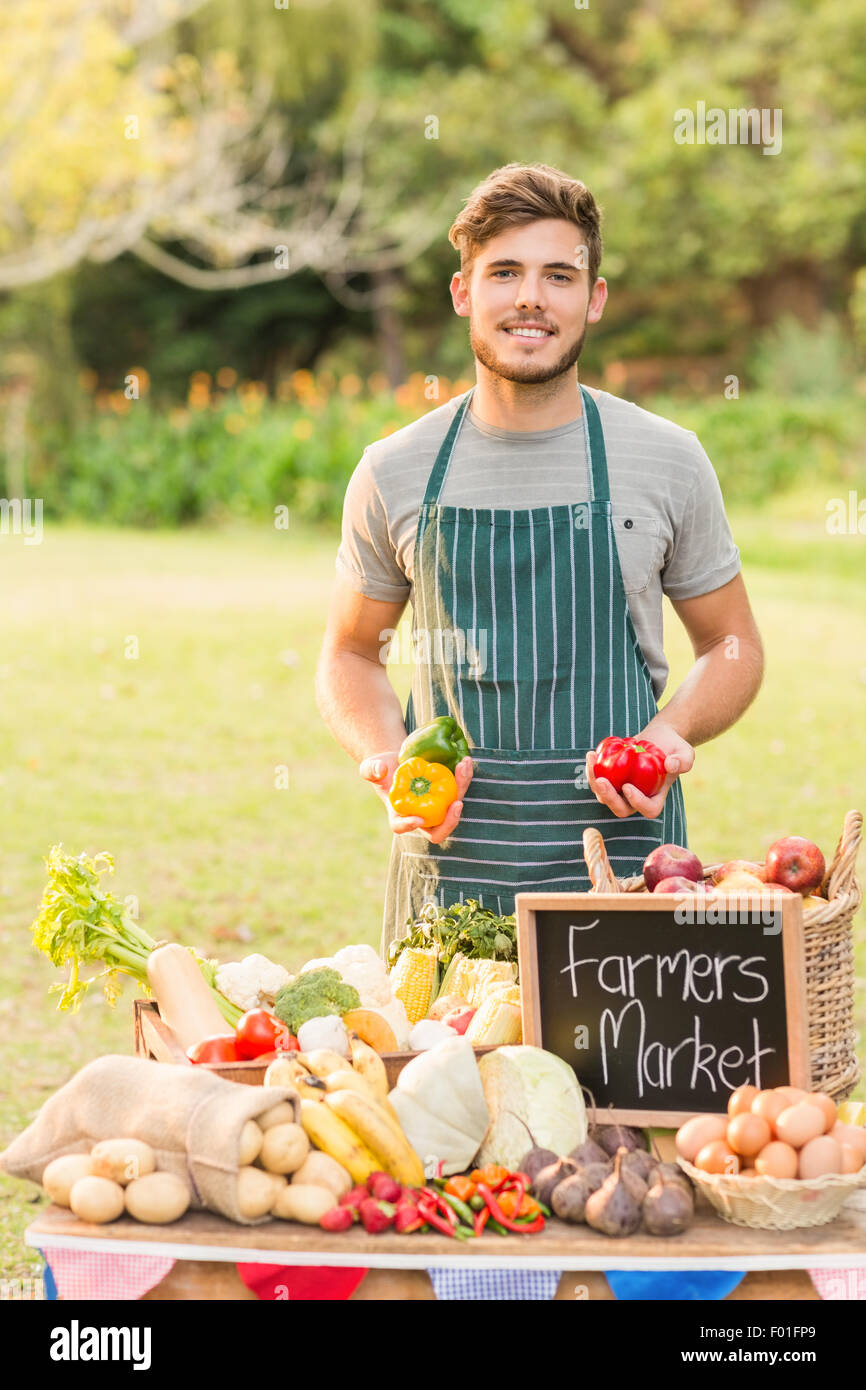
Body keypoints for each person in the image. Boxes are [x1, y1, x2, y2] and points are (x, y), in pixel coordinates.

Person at [315, 162, 763, 1301]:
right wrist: (386, 761)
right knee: (466, 1198)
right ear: (461, 290)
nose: (531, 297)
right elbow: (351, 653)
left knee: (633, 1198)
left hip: (622, 889)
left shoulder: (663, 457)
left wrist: (661, 741)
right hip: (452, 873)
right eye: (504, 272)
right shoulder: (398, 468)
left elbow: (731, 646)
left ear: (594, 299)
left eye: (558, 275)